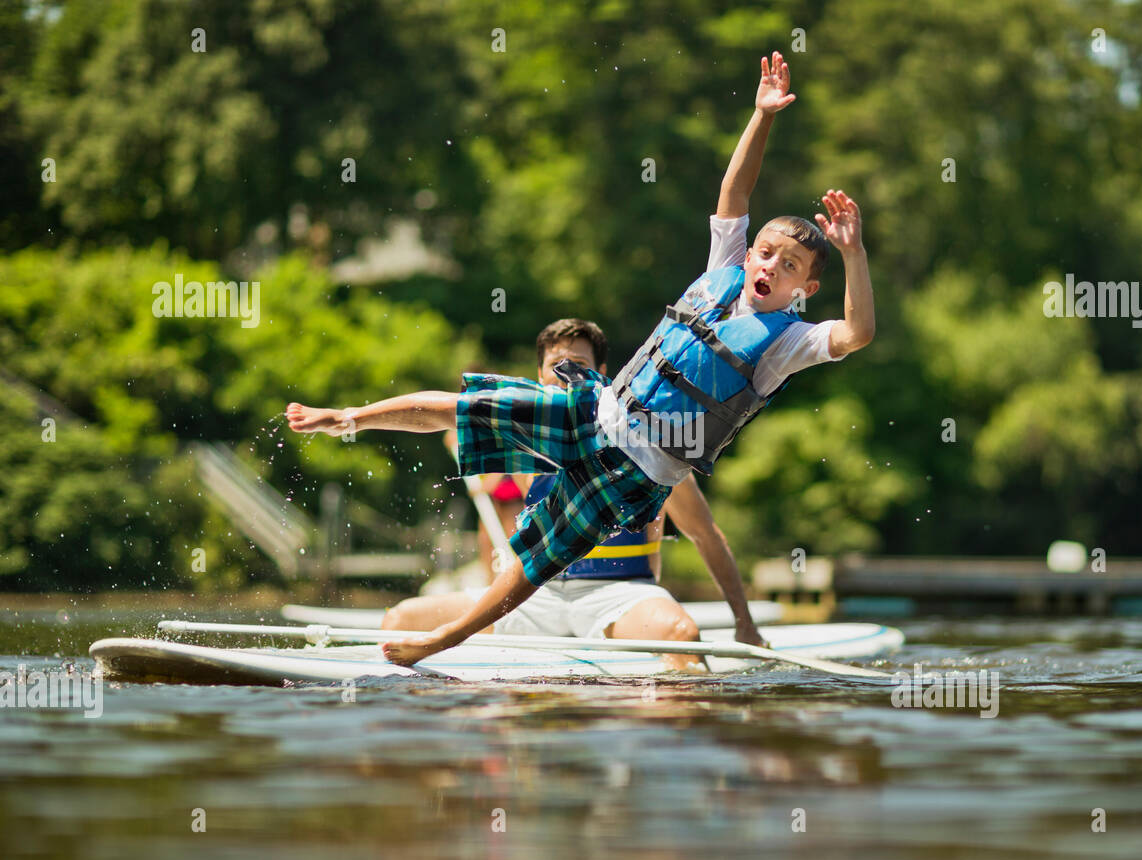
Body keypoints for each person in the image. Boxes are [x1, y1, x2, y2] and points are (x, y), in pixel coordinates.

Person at [286, 51, 876, 666]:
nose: (770, 267)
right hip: (595, 412)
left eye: (790, 268)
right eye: (765, 254)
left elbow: (858, 332)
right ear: (749, 254)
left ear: (805, 292)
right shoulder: (721, 270)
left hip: (637, 471)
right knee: (471, 407)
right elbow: (736, 189)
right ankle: (349, 417)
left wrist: (853, 254)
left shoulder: (786, 343)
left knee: (541, 558)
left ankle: (442, 641)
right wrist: (761, 116)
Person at [383, 318, 762, 672]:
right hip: (534, 597)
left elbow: (706, 535)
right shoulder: (520, 445)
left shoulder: (652, 449)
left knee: (683, 637)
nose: (565, 375)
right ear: (539, 376)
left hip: (619, 597)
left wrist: (744, 624)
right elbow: (455, 421)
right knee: (400, 620)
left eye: (577, 364)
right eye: (556, 365)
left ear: (602, 376)